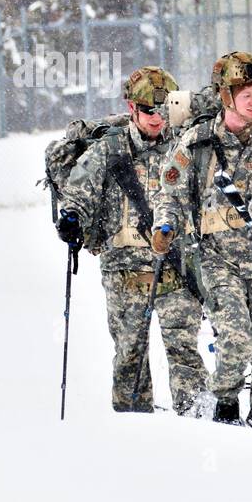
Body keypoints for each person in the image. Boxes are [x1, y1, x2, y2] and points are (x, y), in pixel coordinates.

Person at [150, 51, 252, 431]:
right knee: (235, 335)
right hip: (218, 261)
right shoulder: (198, 142)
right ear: (225, 95)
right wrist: (164, 228)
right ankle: (225, 404)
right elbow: (169, 194)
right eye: (244, 92)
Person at [55, 67, 208, 414]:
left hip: (175, 267)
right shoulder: (109, 150)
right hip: (123, 271)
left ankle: (198, 419)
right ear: (132, 108)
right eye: (149, 111)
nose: (157, 119)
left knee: (184, 349)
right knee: (129, 354)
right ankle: (132, 430)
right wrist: (72, 219)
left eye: (164, 110)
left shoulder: (183, 146)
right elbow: (79, 192)